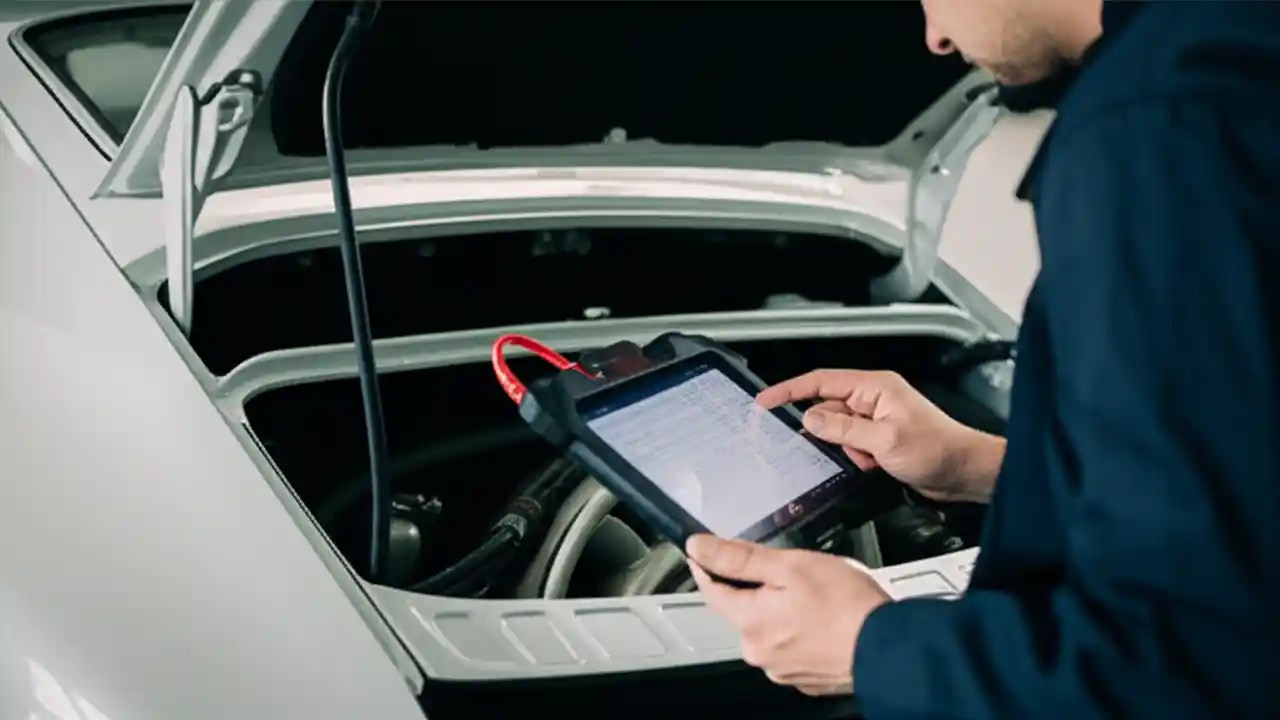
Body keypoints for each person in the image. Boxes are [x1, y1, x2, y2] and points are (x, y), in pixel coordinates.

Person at [684, 1, 1280, 716]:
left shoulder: (1157, 125)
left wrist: (867, 647)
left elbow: (1193, 659)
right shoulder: (1236, 54)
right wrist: (982, 467)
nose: (933, 37)